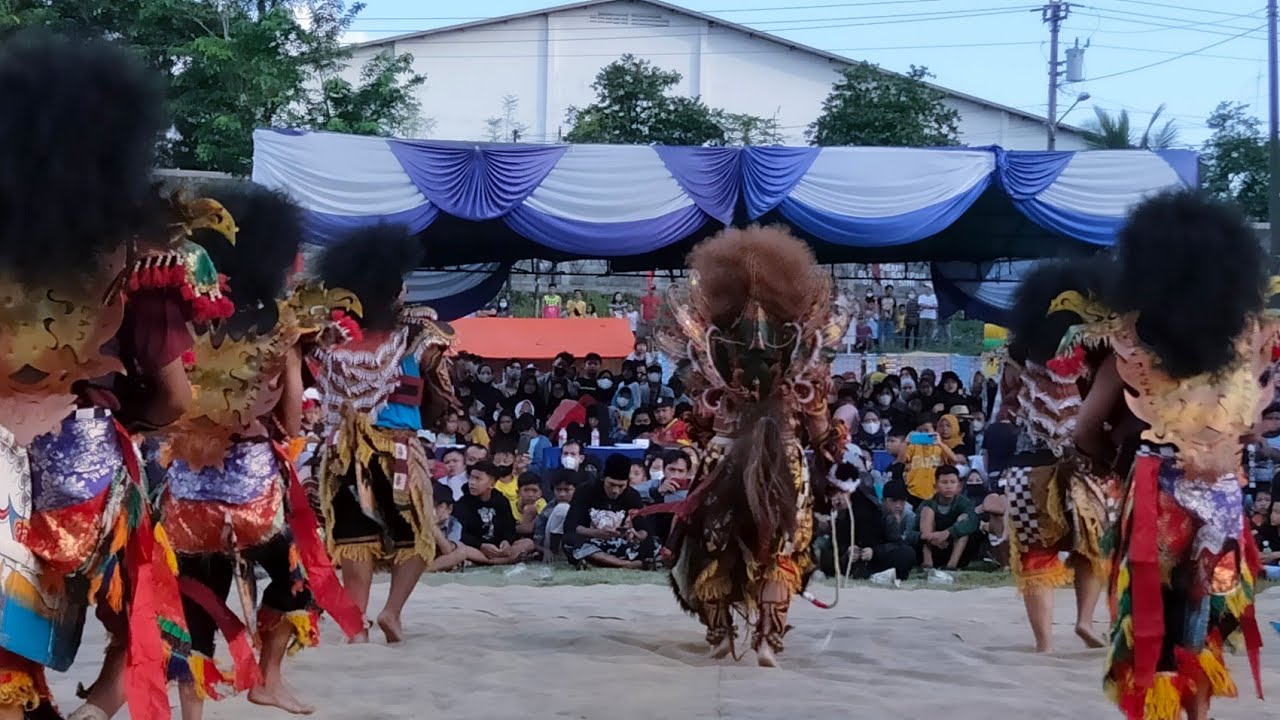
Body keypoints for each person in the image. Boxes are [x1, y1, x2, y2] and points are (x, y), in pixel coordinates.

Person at [0, 31, 239, 720]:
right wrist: (127, 417)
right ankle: (105, 695)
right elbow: (173, 396)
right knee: (137, 589)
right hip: (79, 466)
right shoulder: (146, 261)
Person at [144, 183, 365, 718]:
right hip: (252, 493)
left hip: (188, 494)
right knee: (296, 577)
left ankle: (191, 713)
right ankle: (268, 679)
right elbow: (290, 420)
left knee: (198, 593)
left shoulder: (183, 319)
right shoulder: (280, 323)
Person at [1069, 191, 1275, 720]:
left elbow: (1084, 429)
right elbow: (1248, 427)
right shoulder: (1244, 349)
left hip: (1153, 493)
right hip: (1224, 502)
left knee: (1149, 619)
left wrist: (1110, 461)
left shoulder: (1129, 346)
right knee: (1206, 614)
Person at [651, 226, 848, 668]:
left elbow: (698, 427)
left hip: (724, 461)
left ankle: (720, 633)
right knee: (780, 552)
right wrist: (837, 460)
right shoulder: (804, 377)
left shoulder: (712, 371)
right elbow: (823, 439)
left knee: (713, 548)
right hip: (784, 464)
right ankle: (767, 640)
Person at [312, 224, 457, 645]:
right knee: (416, 534)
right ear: (396, 292)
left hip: (344, 451)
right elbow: (442, 397)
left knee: (355, 538)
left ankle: (355, 620)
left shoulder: (327, 338)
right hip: (396, 448)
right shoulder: (420, 336)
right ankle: (392, 611)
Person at [999, 255, 1120, 655]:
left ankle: (1043, 644)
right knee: (1092, 546)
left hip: (1029, 462)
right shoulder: (1099, 349)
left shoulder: (1018, 350)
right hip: (1084, 460)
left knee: (1037, 554)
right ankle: (1084, 620)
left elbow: (1008, 402)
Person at [563, 454, 658, 569]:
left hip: (620, 543)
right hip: (591, 541)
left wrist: (636, 535)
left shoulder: (632, 495)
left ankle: (603, 562)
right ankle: (626, 564)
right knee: (569, 541)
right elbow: (570, 526)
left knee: (652, 544)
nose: (615, 491)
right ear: (603, 478)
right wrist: (597, 533)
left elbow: (644, 529)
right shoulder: (585, 491)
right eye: (611, 485)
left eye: (621, 486)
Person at [452, 462, 537, 565]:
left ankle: (493, 561)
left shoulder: (501, 501)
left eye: (478, 479)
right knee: (461, 549)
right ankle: (504, 561)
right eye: (471, 478)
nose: (472, 483)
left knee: (528, 543)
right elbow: (460, 534)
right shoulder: (463, 503)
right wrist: (481, 545)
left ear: (492, 484)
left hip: (498, 548)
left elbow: (510, 528)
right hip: (477, 548)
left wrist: (506, 542)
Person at [918, 466, 979, 571]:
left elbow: (973, 523)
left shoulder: (965, 503)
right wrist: (930, 537)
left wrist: (947, 533)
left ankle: (951, 568)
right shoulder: (926, 503)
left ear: (959, 485)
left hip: (958, 550)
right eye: (944, 482)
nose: (949, 486)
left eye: (952, 482)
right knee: (927, 512)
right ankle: (928, 565)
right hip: (934, 548)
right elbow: (910, 533)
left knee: (964, 519)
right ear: (936, 485)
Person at [535, 470, 579, 557]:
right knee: (562, 508)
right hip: (549, 546)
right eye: (558, 490)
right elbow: (537, 539)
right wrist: (545, 550)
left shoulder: (582, 505)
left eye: (567, 490)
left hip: (575, 542)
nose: (562, 494)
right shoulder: (549, 509)